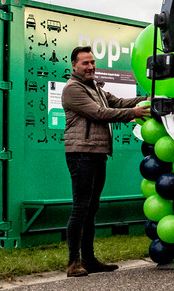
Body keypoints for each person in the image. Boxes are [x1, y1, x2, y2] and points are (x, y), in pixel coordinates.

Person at [62, 45, 149, 278]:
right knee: (80, 208)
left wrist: (148, 100)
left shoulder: (95, 88)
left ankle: (89, 259)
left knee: (91, 209)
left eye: (92, 62)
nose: (90, 66)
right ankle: (73, 262)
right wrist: (135, 114)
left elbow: (119, 103)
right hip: (81, 153)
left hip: (97, 153)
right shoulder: (73, 89)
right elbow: (99, 113)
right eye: (85, 63)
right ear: (74, 65)